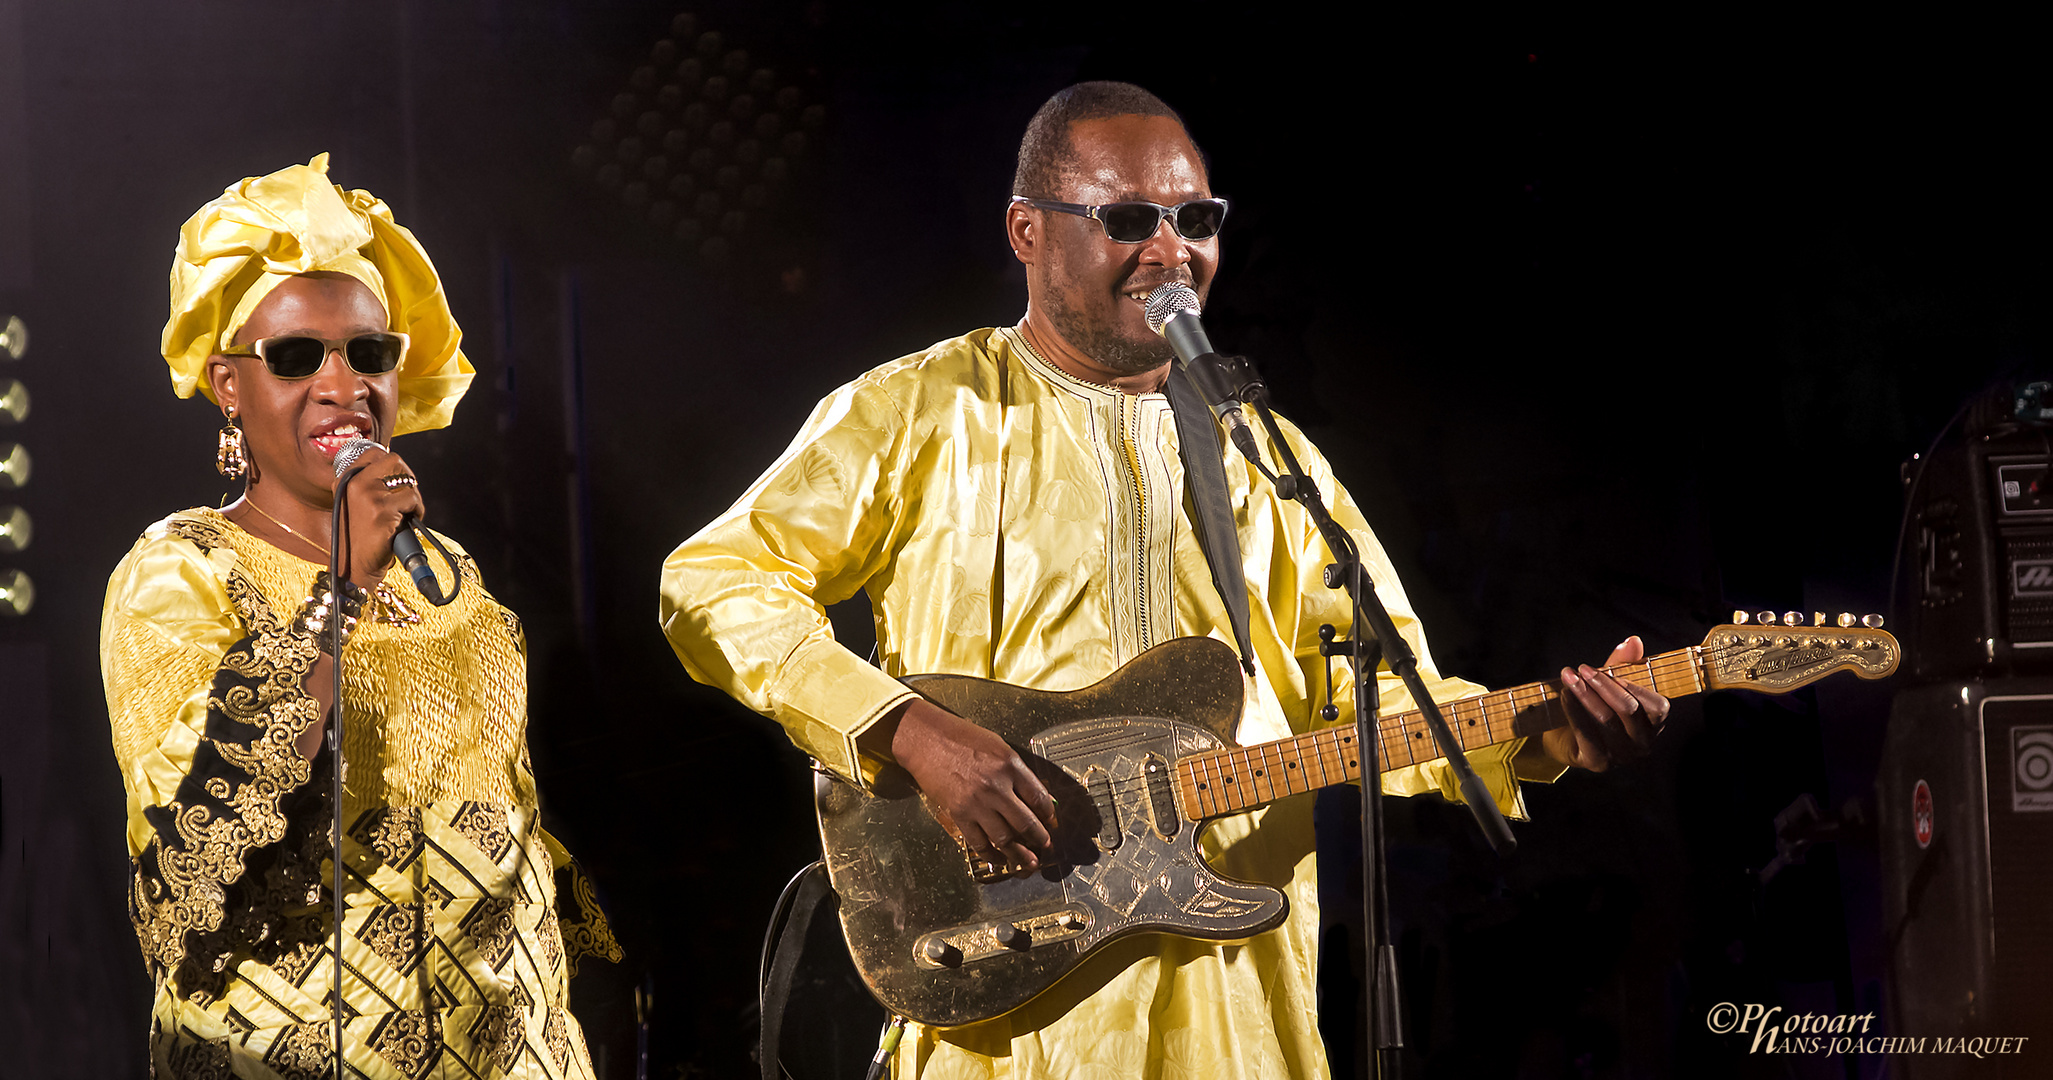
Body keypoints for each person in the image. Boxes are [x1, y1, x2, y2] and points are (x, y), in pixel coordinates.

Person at [659, 83, 1668, 1078]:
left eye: (1196, 220)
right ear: (1025, 230)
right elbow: (711, 582)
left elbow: (1384, 694)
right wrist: (906, 730)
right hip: (1009, 1014)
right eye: (1129, 218)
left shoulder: (1267, 458)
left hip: (1239, 1010)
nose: (1170, 249)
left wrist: (1543, 735)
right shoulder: (920, 412)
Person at [102, 155, 617, 1077]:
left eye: (369, 353)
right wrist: (337, 587)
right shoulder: (178, 570)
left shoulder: (447, 574)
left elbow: (511, 829)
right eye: (298, 357)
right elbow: (197, 843)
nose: (344, 384)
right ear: (228, 384)